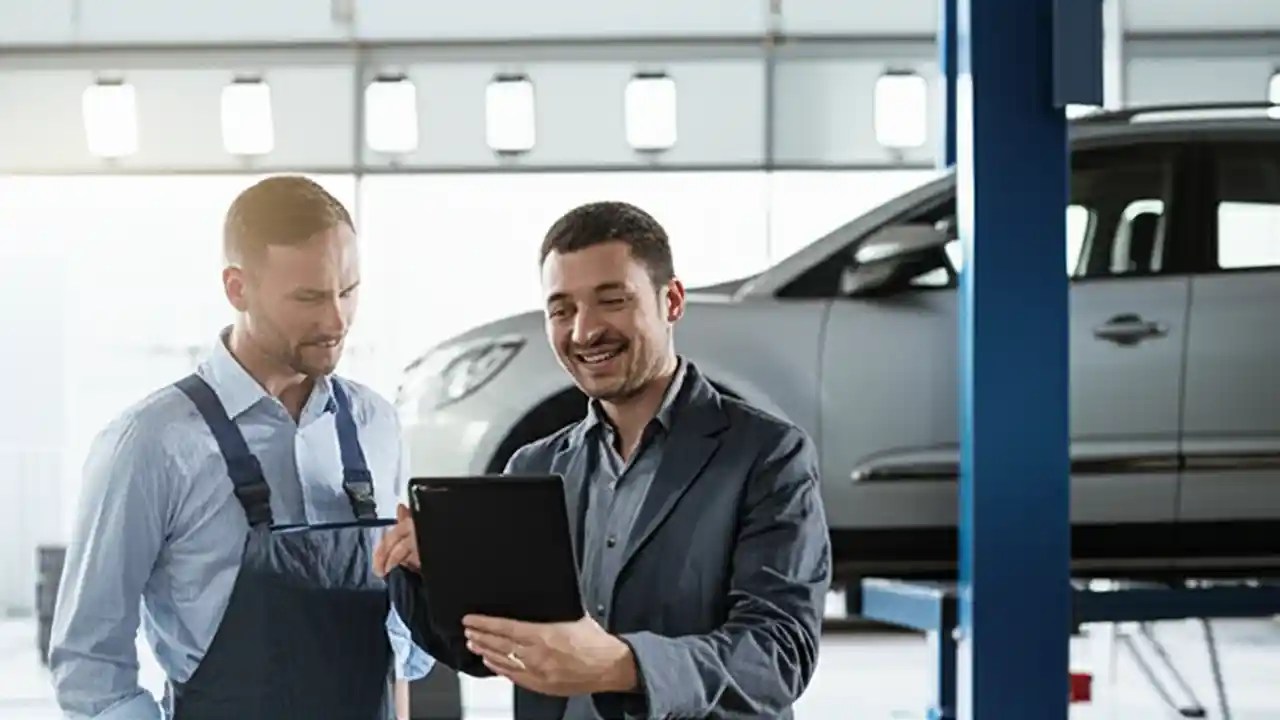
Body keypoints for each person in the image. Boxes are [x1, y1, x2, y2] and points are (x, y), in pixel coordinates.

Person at [374, 200, 832, 719]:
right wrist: (427, 575)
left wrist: (620, 666)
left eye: (611, 300)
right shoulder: (534, 467)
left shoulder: (767, 456)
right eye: (561, 309)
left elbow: (778, 655)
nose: (584, 331)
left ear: (672, 301)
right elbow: (485, 652)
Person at [48, 176, 433, 720]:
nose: (336, 320)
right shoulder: (150, 443)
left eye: (348, 291)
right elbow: (90, 667)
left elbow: (399, 650)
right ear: (237, 288)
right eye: (309, 297)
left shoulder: (377, 424)